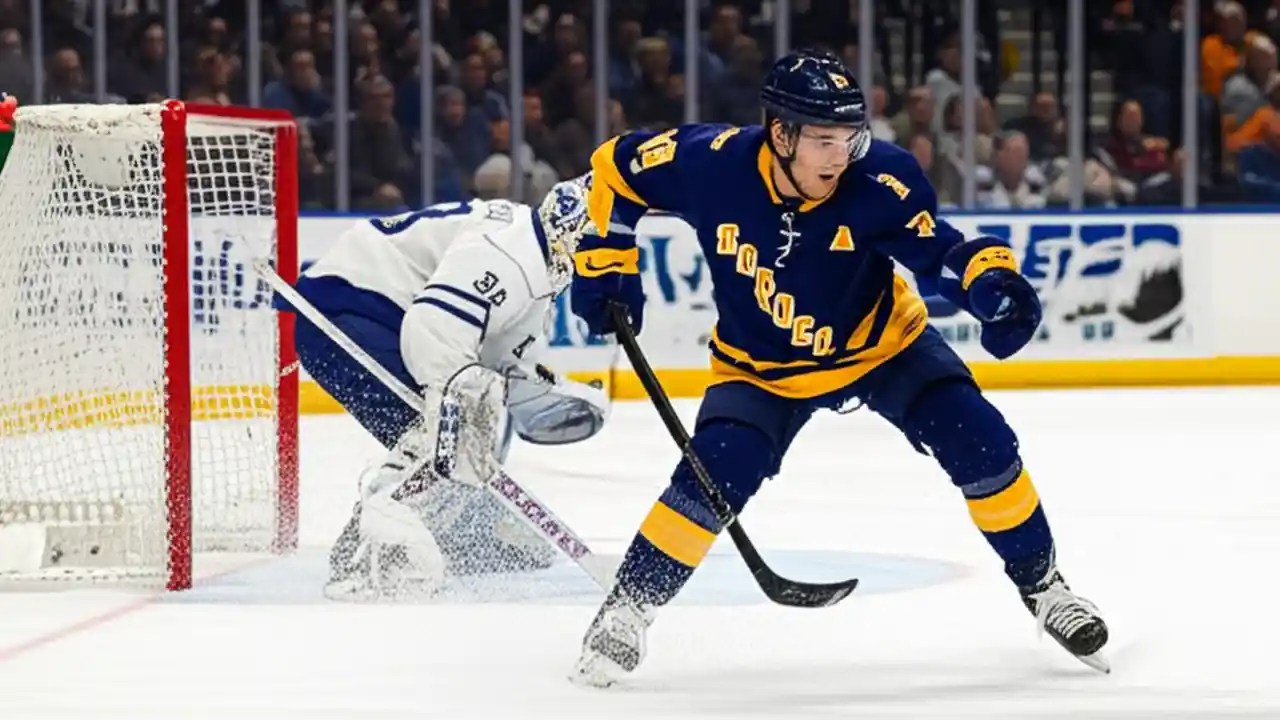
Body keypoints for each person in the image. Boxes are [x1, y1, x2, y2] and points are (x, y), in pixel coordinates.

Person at [567, 49, 1109, 686]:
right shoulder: (710, 164)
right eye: (823, 139)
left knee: (981, 440)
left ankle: (1046, 587)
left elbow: (938, 251)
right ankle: (627, 607)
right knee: (715, 474)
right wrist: (608, 254)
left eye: (849, 137)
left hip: (885, 347)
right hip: (761, 369)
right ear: (781, 134)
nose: (839, 155)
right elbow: (617, 167)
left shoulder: (879, 179)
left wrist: (988, 284)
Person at [280, 178, 609, 599]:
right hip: (347, 313)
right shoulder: (511, 251)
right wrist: (455, 414)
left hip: (371, 315)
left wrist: (542, 395)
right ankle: (375, 542)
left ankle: (451, 525)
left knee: (471, 418)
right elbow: (433, 328)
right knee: (442, 427)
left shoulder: (537, 264)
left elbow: (498, 363)